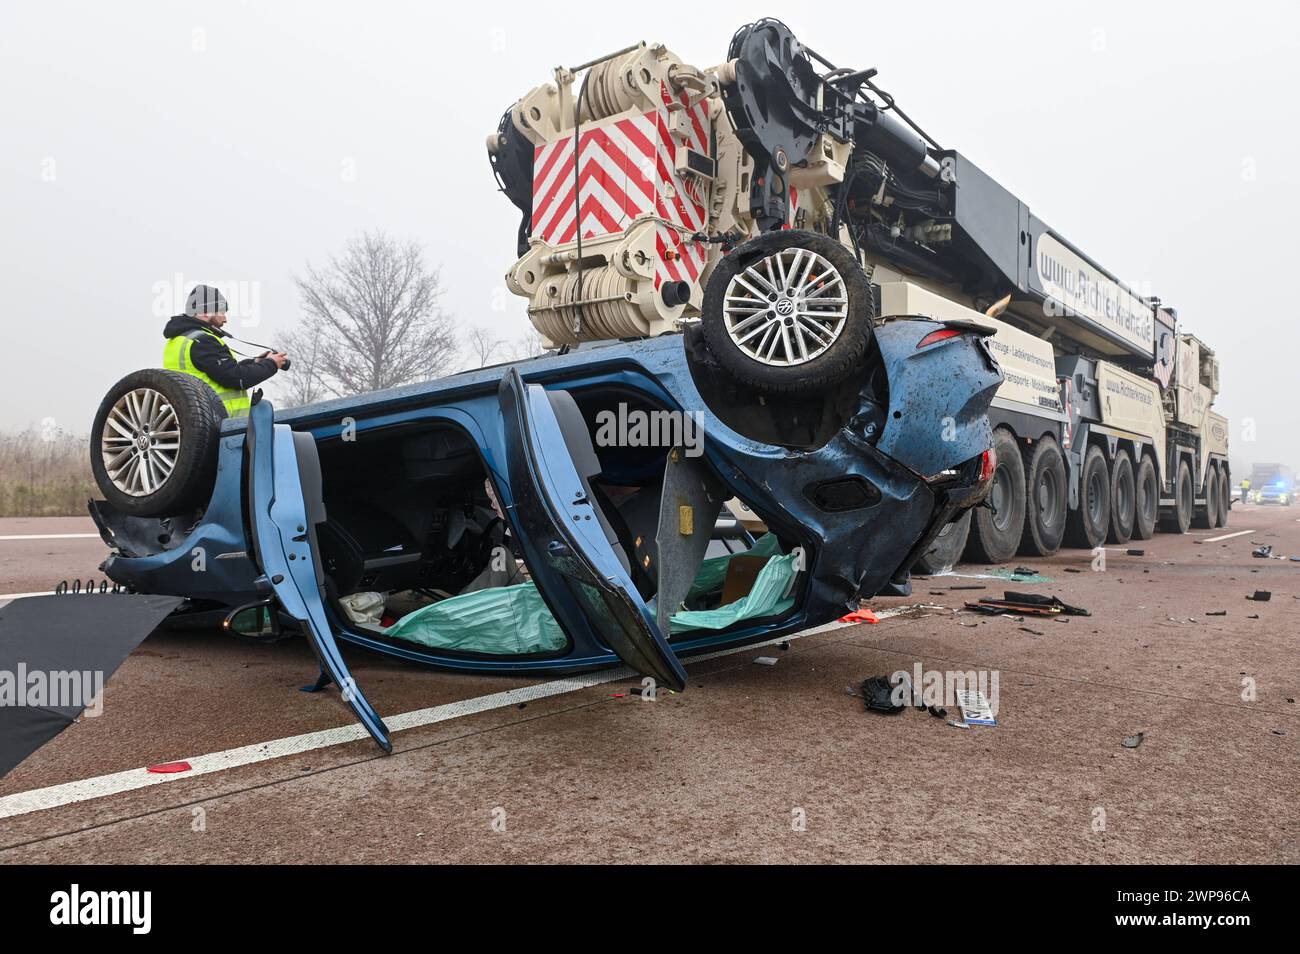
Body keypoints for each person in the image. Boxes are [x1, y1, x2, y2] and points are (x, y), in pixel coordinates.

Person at [162, 284, 287, 417]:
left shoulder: (178, 341)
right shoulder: (202, 341)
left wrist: (256, 362)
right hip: (221, 426)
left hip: (197, 423)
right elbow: (237, 378)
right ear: (204, 312)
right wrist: (271, 364)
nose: (225, 319)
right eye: (221, 312)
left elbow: (220, 372)